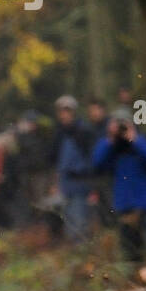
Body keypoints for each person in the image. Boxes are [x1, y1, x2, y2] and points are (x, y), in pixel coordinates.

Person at [92, 111, 146, 264]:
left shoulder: (144, 141)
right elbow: (97, 164)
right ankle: (135, 283)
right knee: (130, 252)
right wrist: (111, 138)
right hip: (126, 205)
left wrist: (134, 138)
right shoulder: (111, 147)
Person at [51, 95, 95, 243]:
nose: (64, 114)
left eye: (67, 110)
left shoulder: (84, 130)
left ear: (73, 112)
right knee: (68, 218)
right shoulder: (58, 133)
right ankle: (75, 252)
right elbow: (55, 160)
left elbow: (92, 157)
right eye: (61, 111)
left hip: (81, 182)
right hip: (64, 182)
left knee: (80, 218)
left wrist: (82, 170)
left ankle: (82, 250)